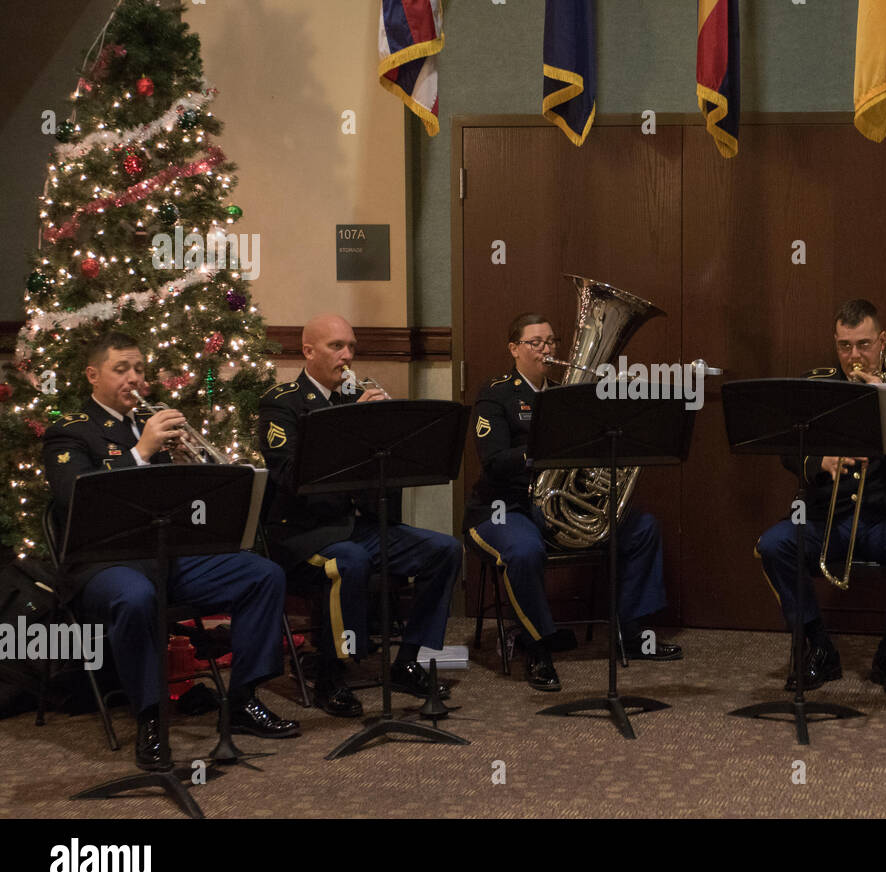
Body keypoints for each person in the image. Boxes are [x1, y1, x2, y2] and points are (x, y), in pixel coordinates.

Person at [43, 331, 299, 771]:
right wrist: (141, 451)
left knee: (262, 574)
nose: (134, 378)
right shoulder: (70, 431)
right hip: (106, 562)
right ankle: (150, 716)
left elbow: (184, 506)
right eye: (121, 369)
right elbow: (75, 497)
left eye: (139, 369)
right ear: (93, 375)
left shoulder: (152, 423)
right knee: (136, 596)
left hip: (167, 555)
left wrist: (189, 470)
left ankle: (242, 697)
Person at [464, 312, 681, 692]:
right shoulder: (495, 393)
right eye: (536, 342)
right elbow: (494, 461)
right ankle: (537, 646)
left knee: (642, 528)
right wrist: (543, 451)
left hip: (555, 508)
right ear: (514, 348)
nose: (546, 349)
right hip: (504, 507)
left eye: (551, 341)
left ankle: (631, 634)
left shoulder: (566, 397)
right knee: (525, 552)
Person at [258, 314, 462, 717]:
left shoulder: (355, 397)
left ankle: (407, 661)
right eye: (337, 346)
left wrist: (386, 432)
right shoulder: (282, 403)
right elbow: (287, 477)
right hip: (304, 535)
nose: (347, 356)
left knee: (445, 551)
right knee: (349, 560)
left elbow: (387, 477)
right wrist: (351, 428)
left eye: (351, 346)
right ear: (308, 351)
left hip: (357, 526)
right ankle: (330, 675)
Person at [755, 300, 886, 698]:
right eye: (845, 346)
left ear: (883, 342)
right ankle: (819, 647)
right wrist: (820, 461)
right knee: (775, 546)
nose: (854, 356)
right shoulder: (817, 385)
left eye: (863, 344)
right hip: (826, 516)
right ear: (835, 343)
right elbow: (786, 450)